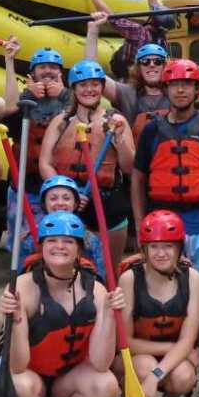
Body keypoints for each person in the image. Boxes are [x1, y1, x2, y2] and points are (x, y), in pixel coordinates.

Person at [1, 211, 120, 397]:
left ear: (79, 249)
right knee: (22, 386)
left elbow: (100, 363)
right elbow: (18, 364)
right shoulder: (21, 287)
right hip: (31, 374)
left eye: (68, 241)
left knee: (107, 386)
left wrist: (108, 314)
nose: (59, 246)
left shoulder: (96, 289)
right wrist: (16, 317)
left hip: (67, 377)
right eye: (51, 240)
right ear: (41, 247)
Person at [131, 58, 199, 276]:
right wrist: (140, 224)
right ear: (166, 89)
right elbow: (138, 179)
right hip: (161, 224)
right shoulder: (151, 131)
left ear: (197, 88)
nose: (180, 90)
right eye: (174, 84)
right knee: (166, 288)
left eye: (187, 84)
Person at [107, 210, 199, 397]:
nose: (161, 253)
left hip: (173, 359)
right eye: (154, 246)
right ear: (144, 249)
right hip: (137, 358)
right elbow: (126, 343)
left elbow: (188, 338)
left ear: (179, 249)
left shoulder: (192, 278)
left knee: (184, 376)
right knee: (146, 365)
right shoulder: (130, 278)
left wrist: (155, 376)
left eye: (168, 246)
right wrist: (172, 348)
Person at [40, 59, 135, 266]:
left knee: (110, 273)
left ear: (102, 86)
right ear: (74, 88)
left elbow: (128, 167)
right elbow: (45, 163)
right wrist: (68, 193)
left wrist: (118, 139)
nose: (89, 89)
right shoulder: (61, 121)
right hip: (71, 207)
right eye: (83, 85)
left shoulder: (116, 120)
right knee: (73, 272)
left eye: (95, 84)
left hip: (109, 207)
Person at [85, 5, 199, 139]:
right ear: (138, 68)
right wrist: (93, 31)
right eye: (145, 62)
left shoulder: (179, 91)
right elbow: (93, 73)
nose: (152, 65)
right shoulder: (127, 94)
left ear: (165, 66)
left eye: (158, 61)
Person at [13, 47, 72, 218]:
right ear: (32, 74)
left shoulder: (72, 99)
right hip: (25, 185)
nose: (48, 71)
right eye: (42, 67)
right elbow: (10, 124)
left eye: (53, 67)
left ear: (61, 73)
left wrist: (64, 95)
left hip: (60, 184)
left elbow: (79, 121)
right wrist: (27, 97)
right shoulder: (22, 99)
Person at [16, 176, 109, 283]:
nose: (60, 203)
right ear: (44, 204)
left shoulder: (89, 239)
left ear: (75, 204)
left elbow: (100, 277)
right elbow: (20, 277)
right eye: (53, 198)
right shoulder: (30, 239)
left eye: (66, 198)